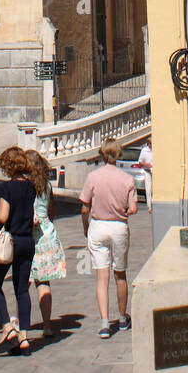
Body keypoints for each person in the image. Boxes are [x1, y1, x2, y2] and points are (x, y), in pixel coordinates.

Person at [80, 139, 138, 338]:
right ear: (119, 154)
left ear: (102, 154)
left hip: (98, 226)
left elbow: (84, 207)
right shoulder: (127, 179)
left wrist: (86, 227)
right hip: (118, 226)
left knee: (101, 277)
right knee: (119, 274)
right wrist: (123, 211)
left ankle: (105, 323)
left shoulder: (93, 177)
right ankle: (122, 318)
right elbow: (133, 208)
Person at [0, 146, 36, 356]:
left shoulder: (7, 189)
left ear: (7, 166)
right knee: (22, 290)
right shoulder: (31, 187)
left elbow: (4, 216)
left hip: (9, 241)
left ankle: (7, 328)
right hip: (27, 241)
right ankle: (24, 338)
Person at [25, 150, 66, 338]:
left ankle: (23, 324)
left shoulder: (24, 186)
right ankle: (47, 325)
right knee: (44, 281)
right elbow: (51, 212)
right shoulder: (46, 186)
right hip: (46, 234)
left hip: (27, 235)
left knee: (23, 283)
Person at [138, 139, 153, 212]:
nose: (151, 145)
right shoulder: (144, 151)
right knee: (148, 189)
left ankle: (154, 204)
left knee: (154, 189)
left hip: (155, 171)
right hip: (147, 171)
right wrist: (146, 164)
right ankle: (149, 206)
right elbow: (140, 162)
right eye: (150, 143)